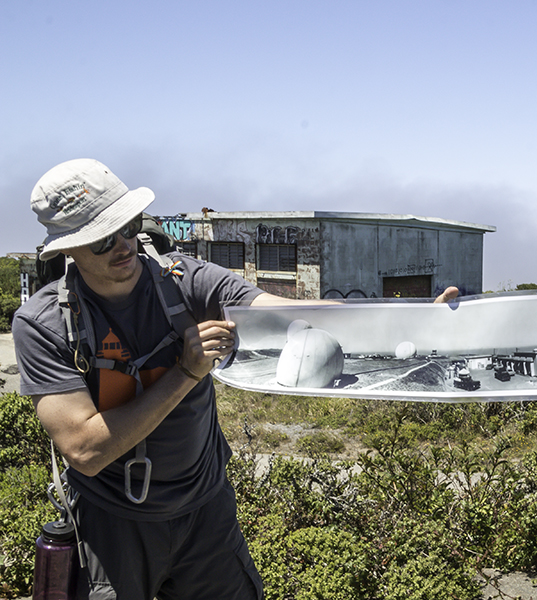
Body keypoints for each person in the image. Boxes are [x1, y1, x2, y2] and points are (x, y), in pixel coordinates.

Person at [12, 158, 454, 600]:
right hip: (111, 525)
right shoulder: (44, 324)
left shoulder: (185, 280)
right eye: (103, 239)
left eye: (129, 226)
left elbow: (291, 313)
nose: (123, 245)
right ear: (68, 249)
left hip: (206, 515)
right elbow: (86, 451)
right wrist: (186, 372)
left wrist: (410, 320)